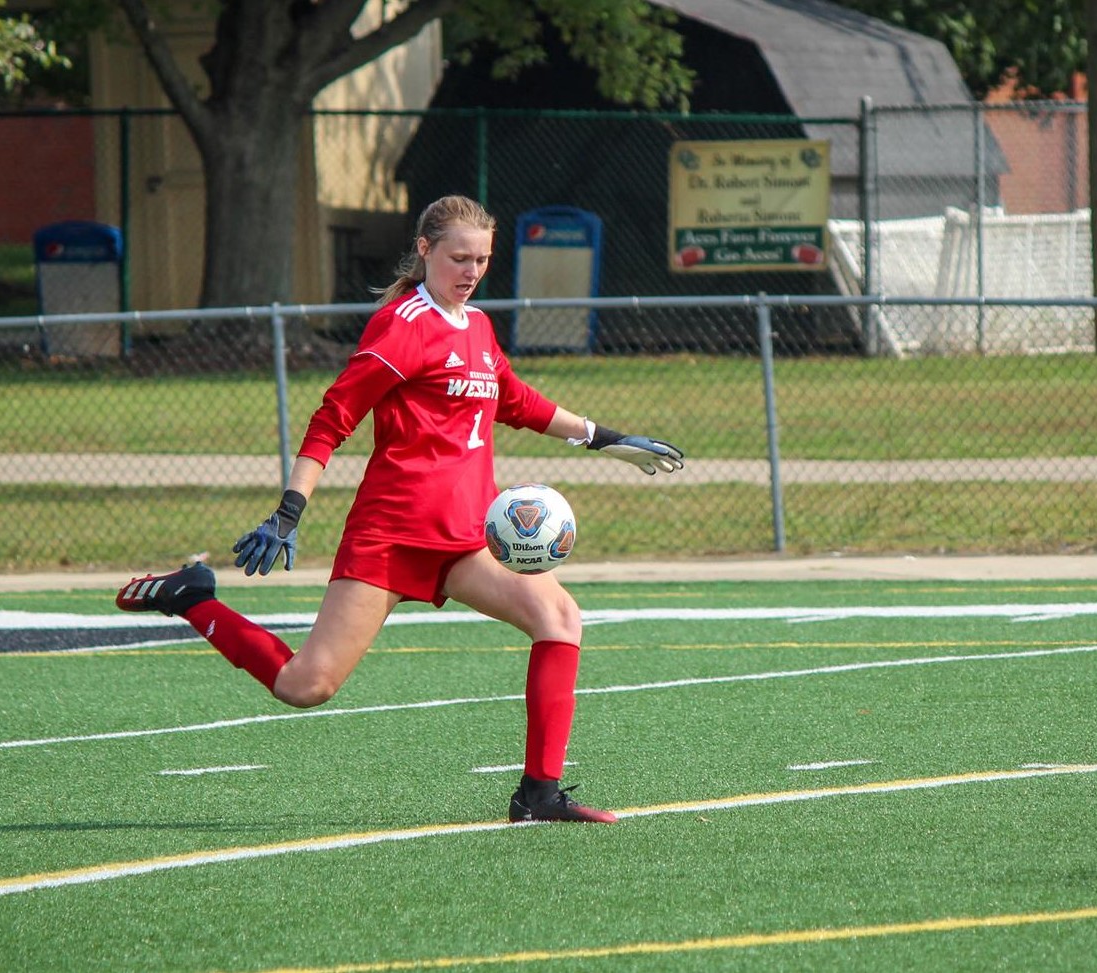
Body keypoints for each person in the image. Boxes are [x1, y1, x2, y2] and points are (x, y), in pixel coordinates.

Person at [117, 195, 685, 824]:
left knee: (559, 618)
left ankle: (539, 794)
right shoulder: (403, 324)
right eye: (459, 258)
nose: (471, 271)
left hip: (465, 539)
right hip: (391, 536)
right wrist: (288, 511)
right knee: (306, 686)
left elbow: (515, 400)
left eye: (482, 260)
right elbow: (333, 419)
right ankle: (192, 597)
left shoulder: (477, 326)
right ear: (424, 249)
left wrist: (605, 438)